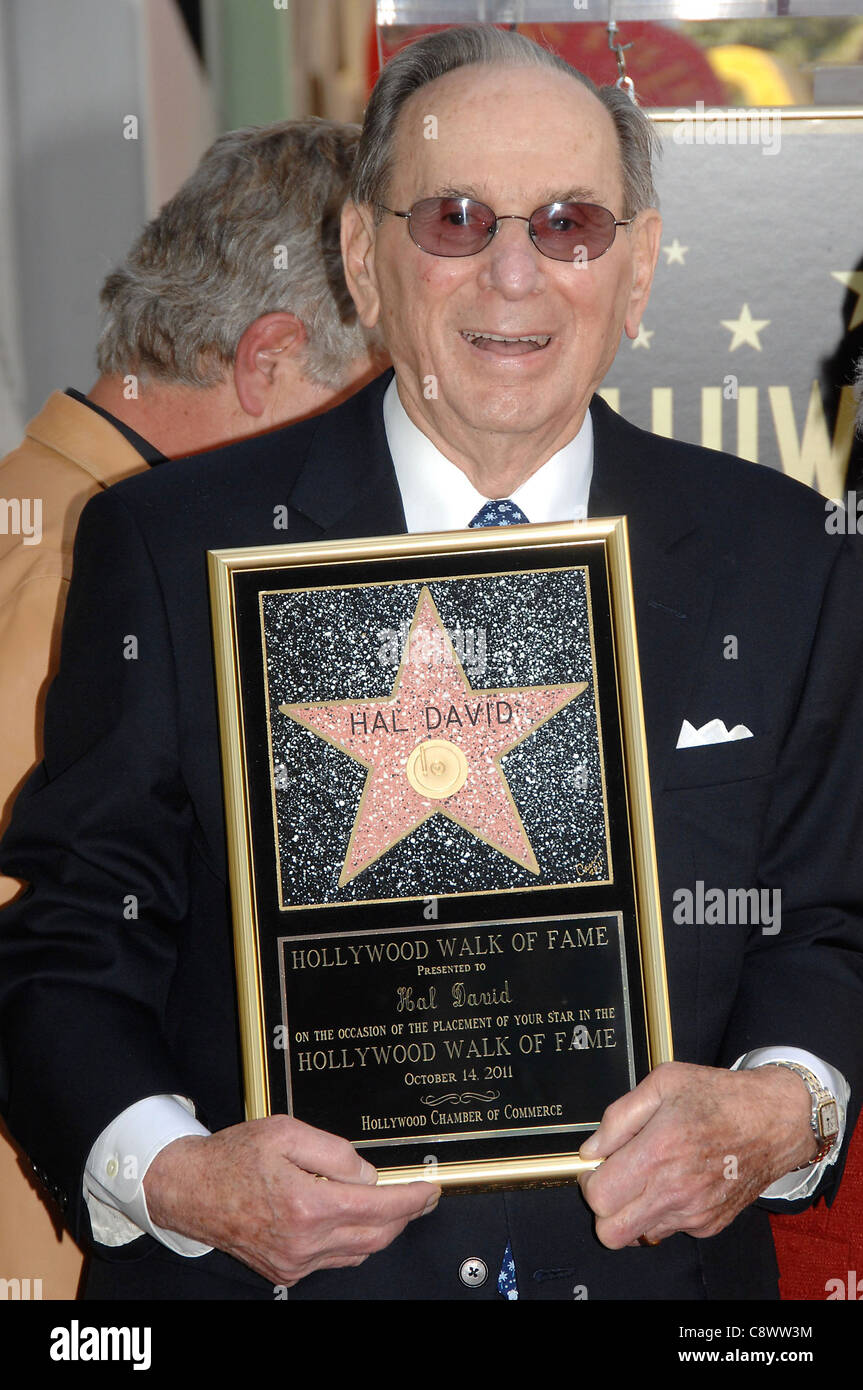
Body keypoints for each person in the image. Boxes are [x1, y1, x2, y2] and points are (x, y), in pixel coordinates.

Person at [1, 26, 862, 1302]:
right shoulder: (173, 543)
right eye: (455, 219)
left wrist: (783, 1110)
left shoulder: (782, 551)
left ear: (635, 271)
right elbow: (69, 943)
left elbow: (828, 928)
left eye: (569, 224)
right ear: (365, 257)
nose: (512, 274)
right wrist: (176, 1176)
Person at [0, 117, 384, 1297]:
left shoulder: (42, 518)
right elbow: (49, 967)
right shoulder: (87, 577)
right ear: (268, 361)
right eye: (370, 401)